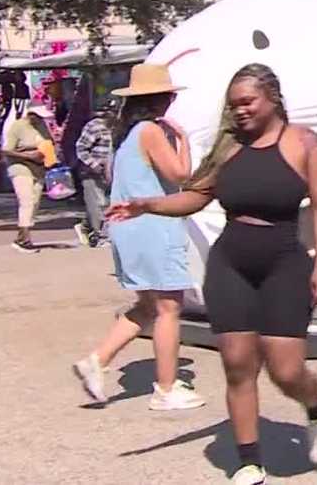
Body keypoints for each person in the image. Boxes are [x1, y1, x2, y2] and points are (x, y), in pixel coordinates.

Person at [106, 63, 317, 484]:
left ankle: (316, 410)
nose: (240, 112)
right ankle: (249, 461)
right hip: (231, 262)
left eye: (247, 102)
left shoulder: (304, 143)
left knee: (286, 372)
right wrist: (147, 205)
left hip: (284, 261)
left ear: (272, 98)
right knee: (237, 365)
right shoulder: (227, 148)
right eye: (233, 106)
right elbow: (194, 197)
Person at [72, 63, 204, 412]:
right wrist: (184, 141)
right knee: (169, 307)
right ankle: (165, 386)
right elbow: (181, 175)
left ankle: (97, 360)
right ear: (163, 99)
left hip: (128, 227)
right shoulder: (150, 131)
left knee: (148, 304)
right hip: (152, 225)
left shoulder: (126, 135)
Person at [2, 102, 54, 253]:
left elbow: (49, 142)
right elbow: (6, 150)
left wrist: (46, 154)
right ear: (30, 115)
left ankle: (20, 237)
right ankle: (25, 239)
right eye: (37, 117)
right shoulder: (17, 126)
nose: (39, 120)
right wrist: (28, 155)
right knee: (27, 201)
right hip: (20, 167)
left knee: (35, 202)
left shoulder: (43, 126)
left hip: (38, 168)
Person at [73, 99, 118, 248]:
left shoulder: (117, 127)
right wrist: (94, 164)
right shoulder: (95, 126)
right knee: (98, 203)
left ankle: (85, 226)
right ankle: (101, 236)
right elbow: (81, 148)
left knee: (104, 203)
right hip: (92, 172)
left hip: (110, 172)